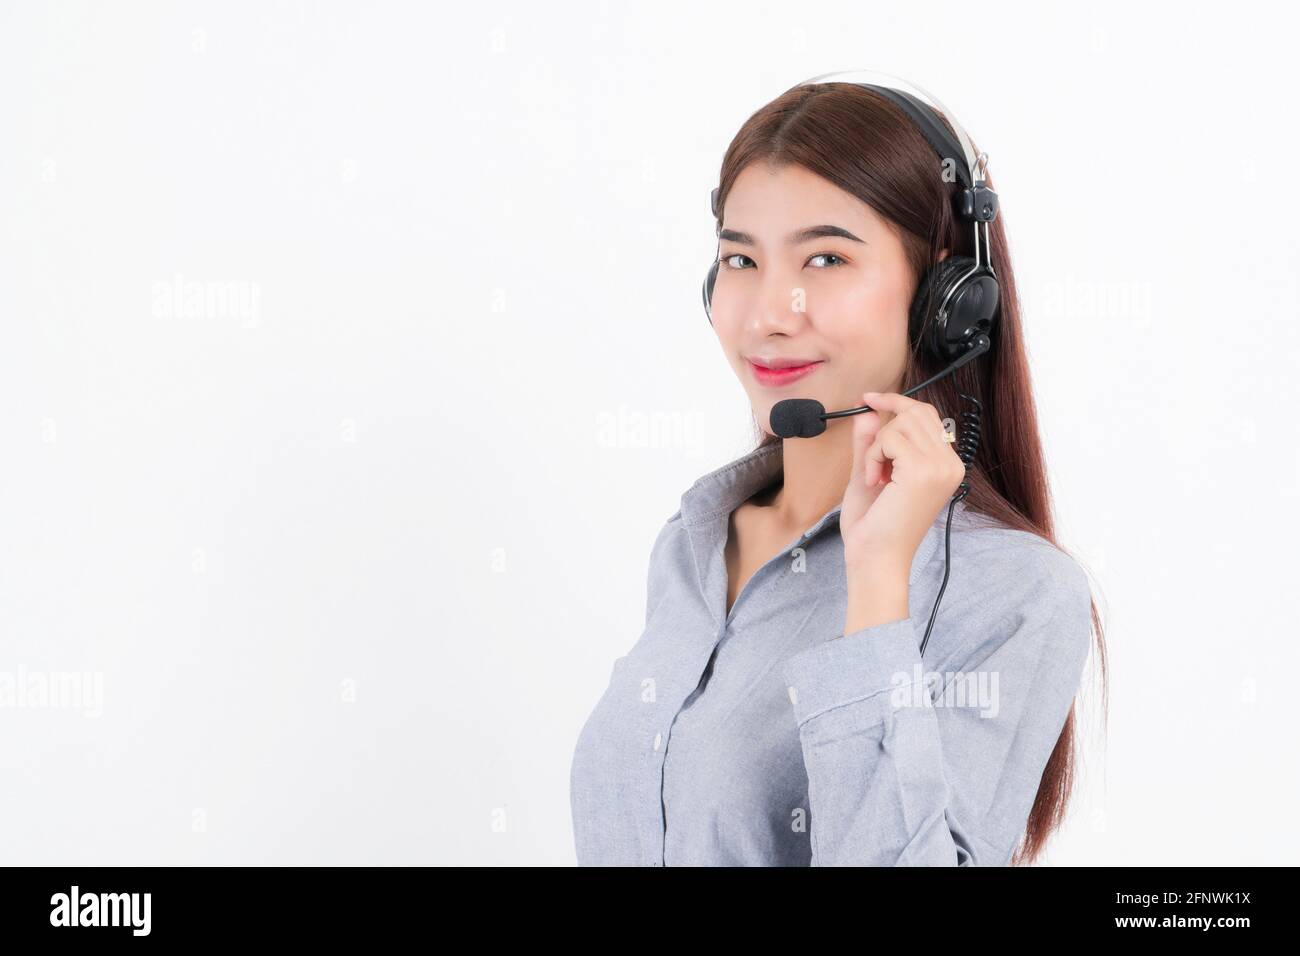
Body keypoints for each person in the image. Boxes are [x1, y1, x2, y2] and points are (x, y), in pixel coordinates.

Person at [569, 75, 1108, 866]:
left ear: (948, 298)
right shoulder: (691, 545)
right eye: (740, 259)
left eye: (825, 258)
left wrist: (878, 586)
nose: (768, 312)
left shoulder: (1016, 594)